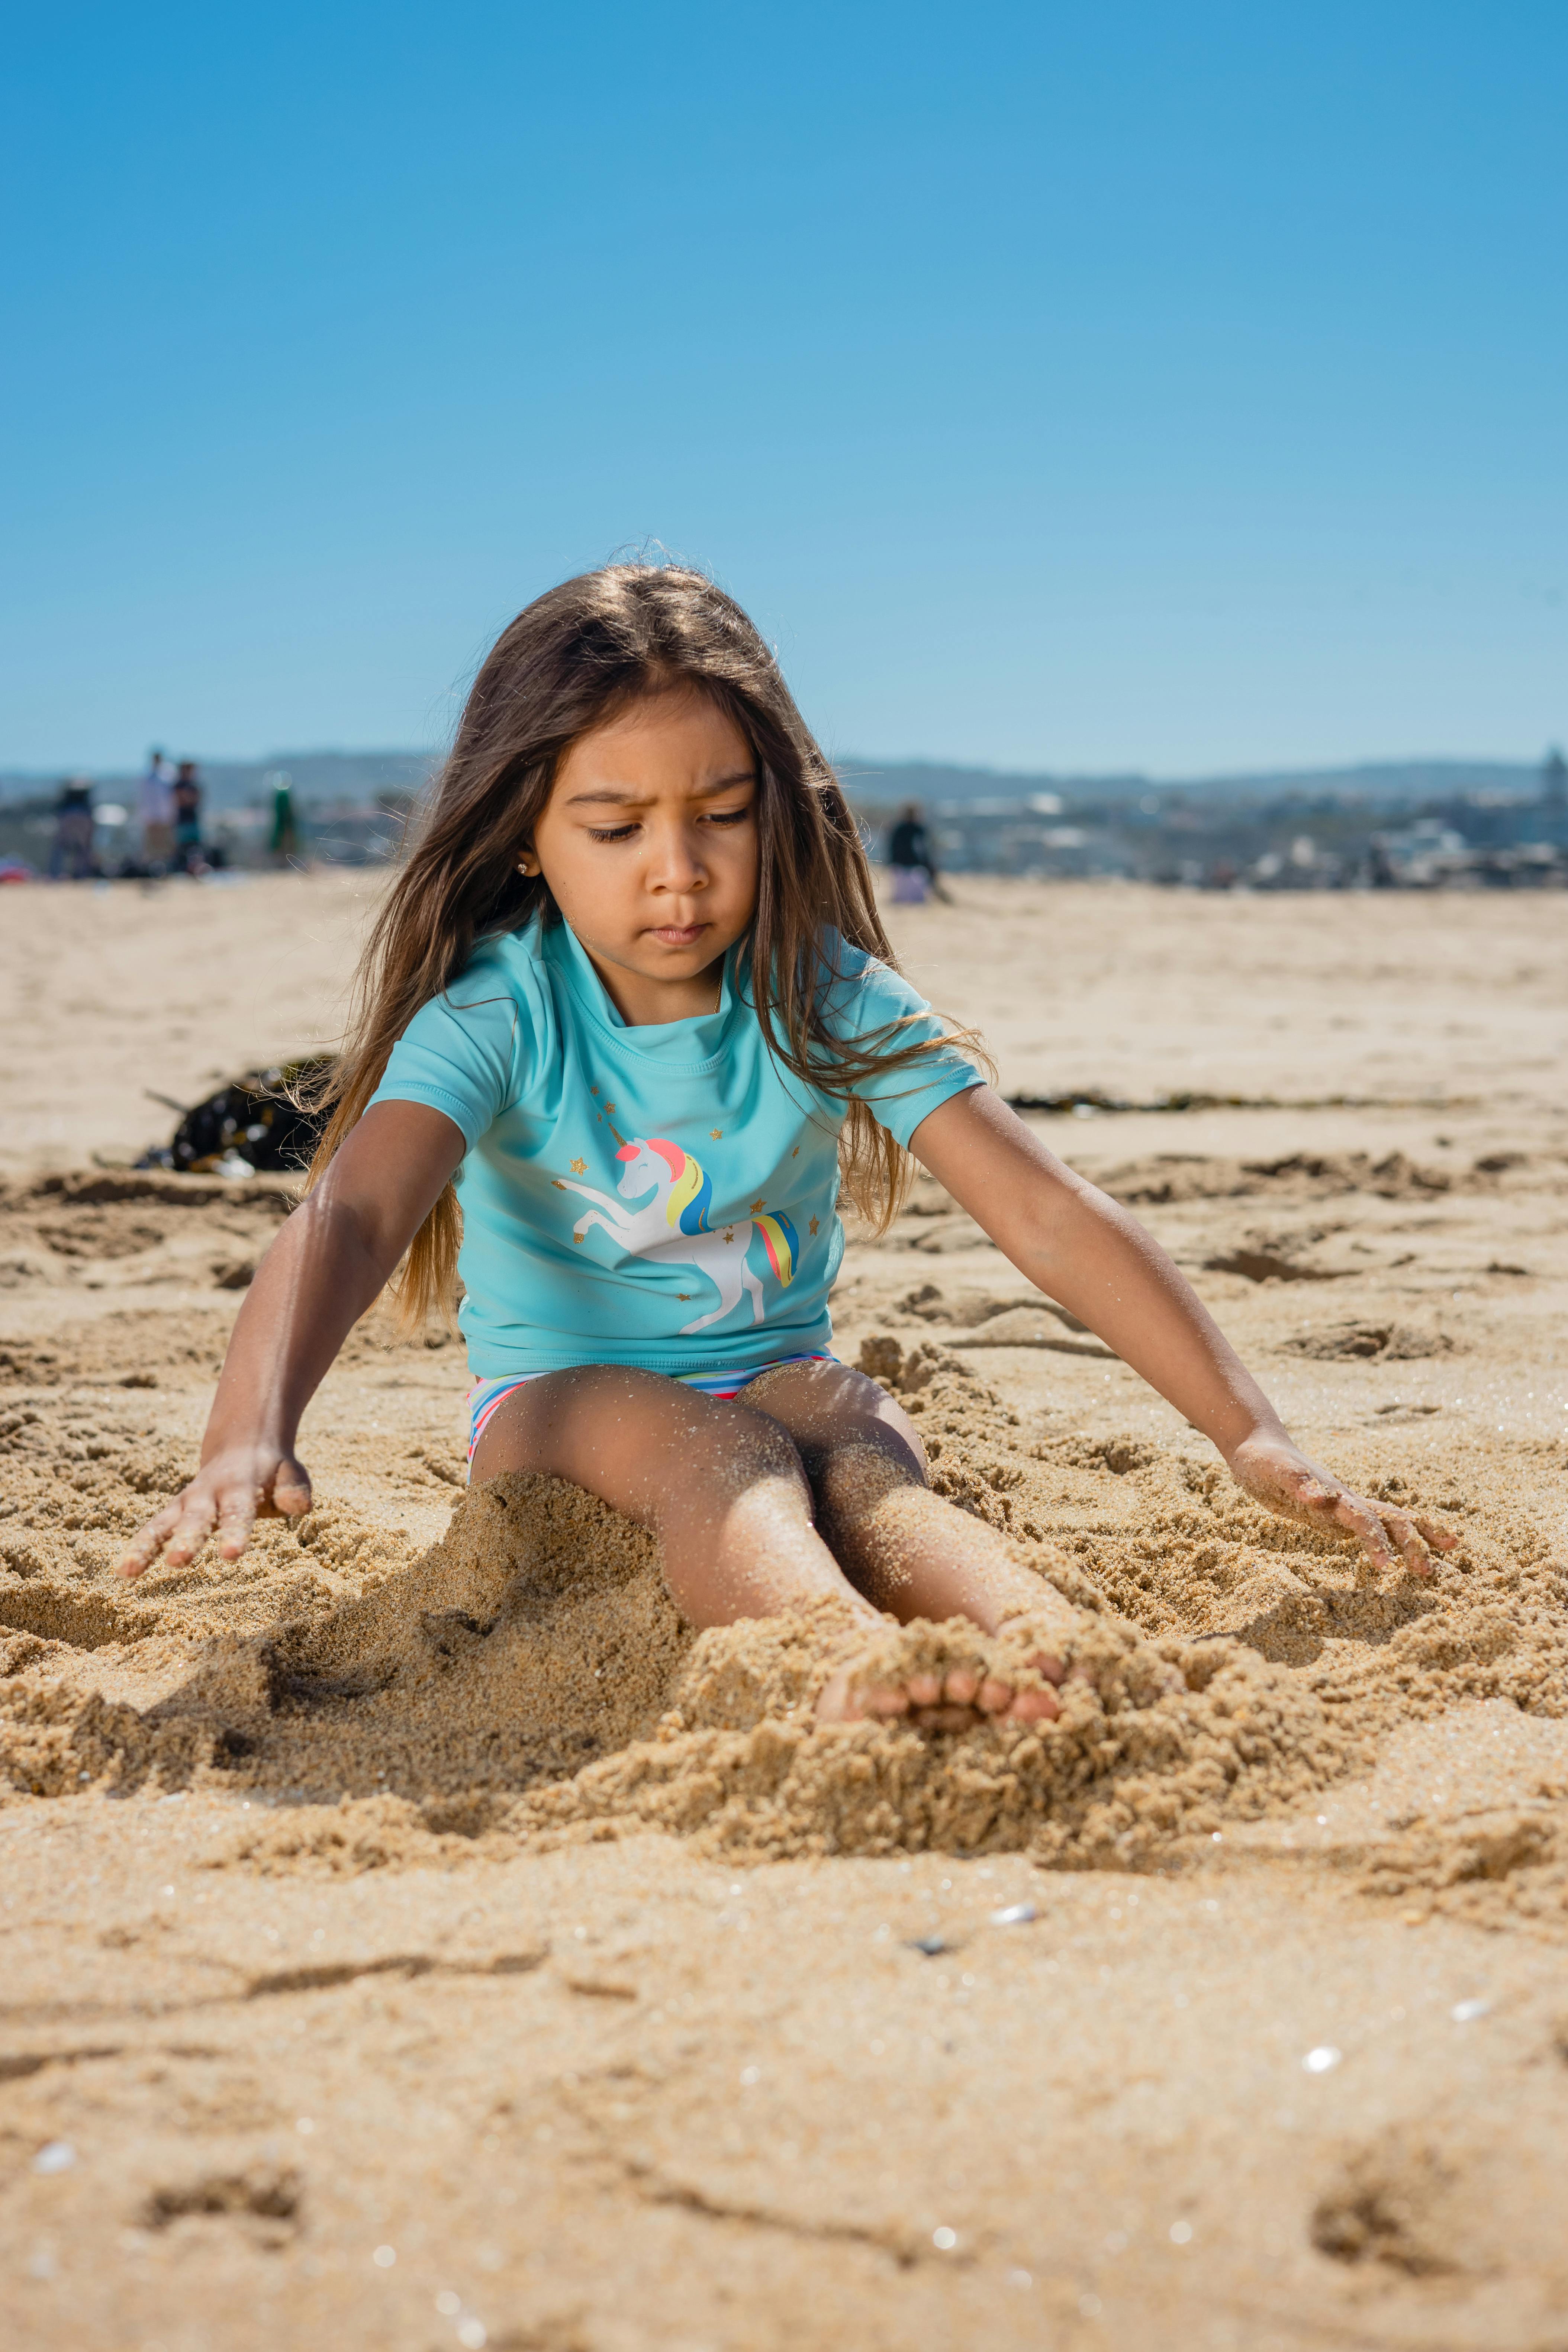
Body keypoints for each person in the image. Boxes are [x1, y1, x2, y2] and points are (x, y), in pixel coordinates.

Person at [117, 564, 1453, 1726]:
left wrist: (1250, 1431)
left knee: (859, 1437)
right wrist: (248, 1431)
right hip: (557, 1414)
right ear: (524, 833)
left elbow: (1044, 1213)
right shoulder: (500, 1011)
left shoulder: (822, 994)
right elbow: (352, 1214)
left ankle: (1044, 1639)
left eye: (719, 813)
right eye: (616, 824)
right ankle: (831, 1651)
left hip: (780, 1373)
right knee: (723, 1458)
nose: (678, 870)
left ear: (776, 806)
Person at [48, 777, 97, 880]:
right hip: (83, 817)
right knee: (82, 848)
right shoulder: (84, 799)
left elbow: (59, 811)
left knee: (61, 847)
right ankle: (81, 875)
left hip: (68, 816)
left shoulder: (68, 798)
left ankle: (55, 874)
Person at [887, 801, 936, 904]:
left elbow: (892, 847)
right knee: (911, 898)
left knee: (904, 897)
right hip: (911, 866)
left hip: (907, 866)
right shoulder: (916, 830)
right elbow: (923, 850)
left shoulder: (900, 829)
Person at [138, 749, 176, 872]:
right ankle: (151, 870)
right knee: (152, 846)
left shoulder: (168, 775)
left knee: (166, 845)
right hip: (151, 817)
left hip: (165, 817)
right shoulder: (148, 776)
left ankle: (166, 869)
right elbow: (144, 798)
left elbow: (171, 797)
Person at [171, 760, 206, 873]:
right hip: (182, 820)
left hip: (193, 819)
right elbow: (180, 800)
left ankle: (196, 868)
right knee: (182, 848)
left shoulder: (194, 785)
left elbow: (196, 800)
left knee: (196, 847)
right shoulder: (179, 785)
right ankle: (182, 869)